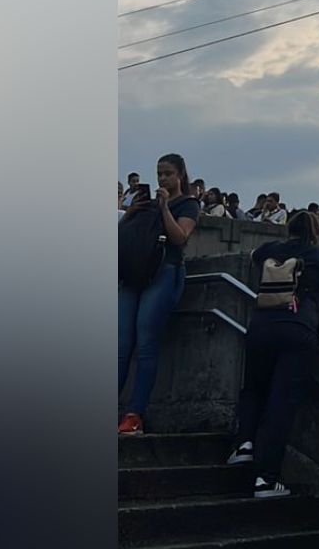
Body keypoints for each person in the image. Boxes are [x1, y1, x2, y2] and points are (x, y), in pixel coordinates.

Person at [227, 212, 319, 498]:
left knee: (253, 388)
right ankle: (267, 479)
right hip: (297, 328)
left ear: (287, 228)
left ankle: (244, 445)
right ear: (316, 231)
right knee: (282, 401)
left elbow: (252, 255)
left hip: (261, 327)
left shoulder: (270, 250)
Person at [118, 153, 201, 436]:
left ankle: (135, 413)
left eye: (167, 173)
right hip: (134, 273)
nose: (162, 179)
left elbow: (180, 237)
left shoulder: (189, 204)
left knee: (145, 343)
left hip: (164, 271)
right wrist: (129, 213)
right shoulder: (147, 204)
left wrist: (165, 208)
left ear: (180, 175)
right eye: (159, 174)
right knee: (119, 345)